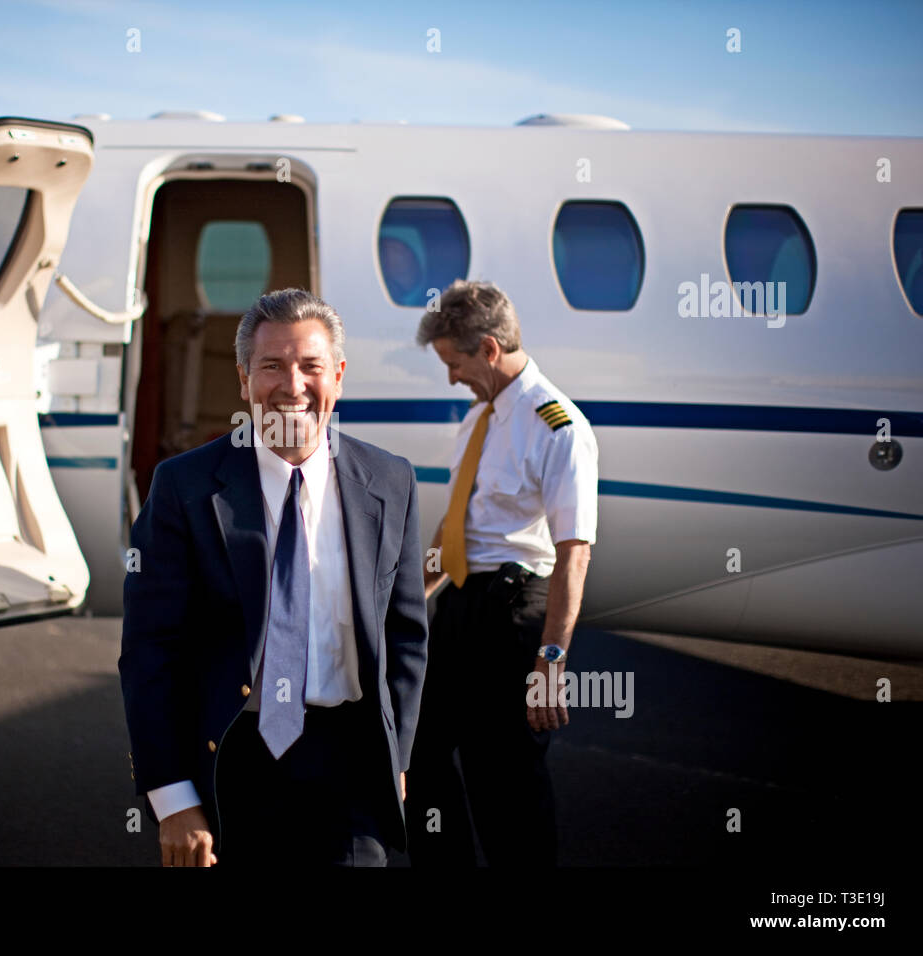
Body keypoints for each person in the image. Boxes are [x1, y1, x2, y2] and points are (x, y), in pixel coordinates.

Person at [119, 288, 429, 867]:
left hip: (351, 765)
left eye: (311, 365)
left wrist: (399, 757)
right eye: (271, 366)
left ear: (338, 376)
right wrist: (172, 798)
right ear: (243, 379)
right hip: (233, 762)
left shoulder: (391, 482)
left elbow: (406, 636)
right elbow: (150, 650)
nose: (293, 385)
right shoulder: (184, 488)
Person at [406, 279, 598, 868]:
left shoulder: (557, 427)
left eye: (454, 362)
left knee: (503, 779)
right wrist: (409, 599)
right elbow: (455, 526)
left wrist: (551, 661)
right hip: (461, 606)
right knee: (415, 749)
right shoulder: (479, 419)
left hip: (514, 614)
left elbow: (574, 554)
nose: (451, 378)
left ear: (489, 349)